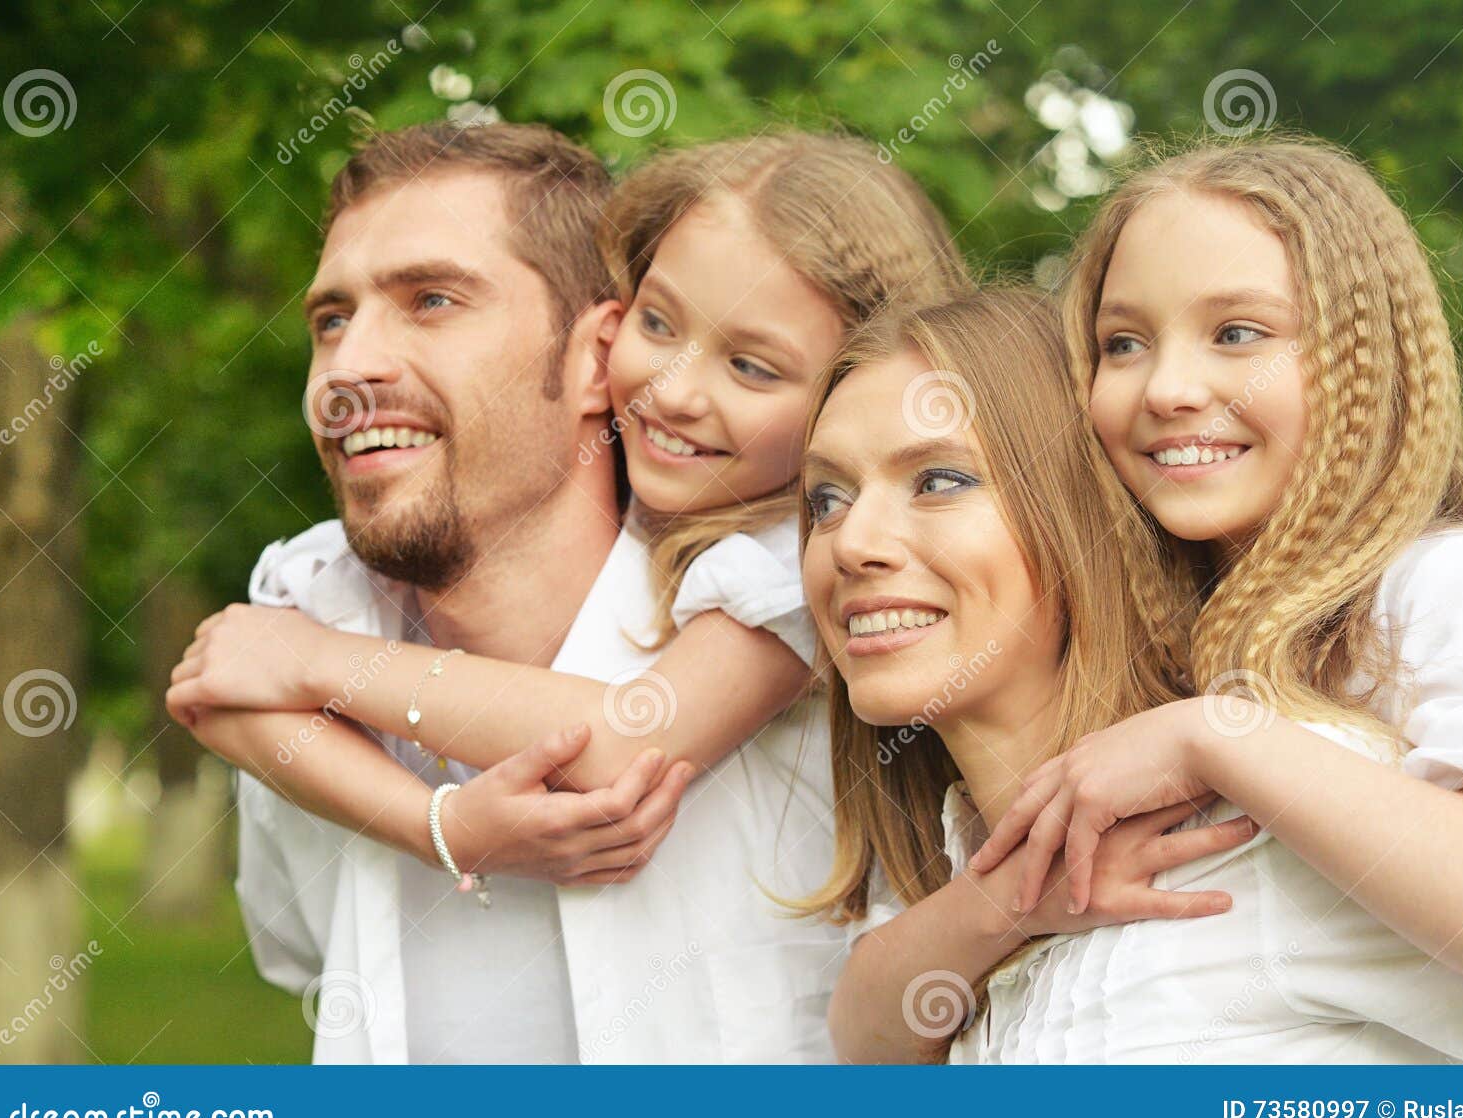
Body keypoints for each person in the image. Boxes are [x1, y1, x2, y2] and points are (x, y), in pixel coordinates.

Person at [169, 123, 968, 1062]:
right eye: (331, 320)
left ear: (593, 350)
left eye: (432, 300)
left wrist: (316, 665)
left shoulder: (814, 584)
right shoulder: (311, 598)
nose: (347, 370)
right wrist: (438, 825)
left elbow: (625, 742)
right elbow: (284, 903)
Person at [797, 286, 1463, 1063]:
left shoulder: (1263, 828)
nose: (851, 542)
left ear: (1087, 509)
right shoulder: (966, 885)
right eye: (826, 498)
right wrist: (1009, 901)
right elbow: (861, 1039)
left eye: (940, 481)